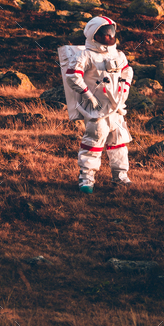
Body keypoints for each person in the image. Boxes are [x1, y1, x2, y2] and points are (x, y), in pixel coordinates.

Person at [64, 15, 134, 193]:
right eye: (105, 33)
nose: (110, 36)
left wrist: (124, 89)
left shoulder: (118, 54)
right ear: (93, 35)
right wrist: (87, 95)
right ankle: (86, 179)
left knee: (118, 141)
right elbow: (72, 75)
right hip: (95, 109)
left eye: (111, 32)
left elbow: (127, 71)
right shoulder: (86, 55)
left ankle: (121, 176)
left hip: (116, 108)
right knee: (94, 140)